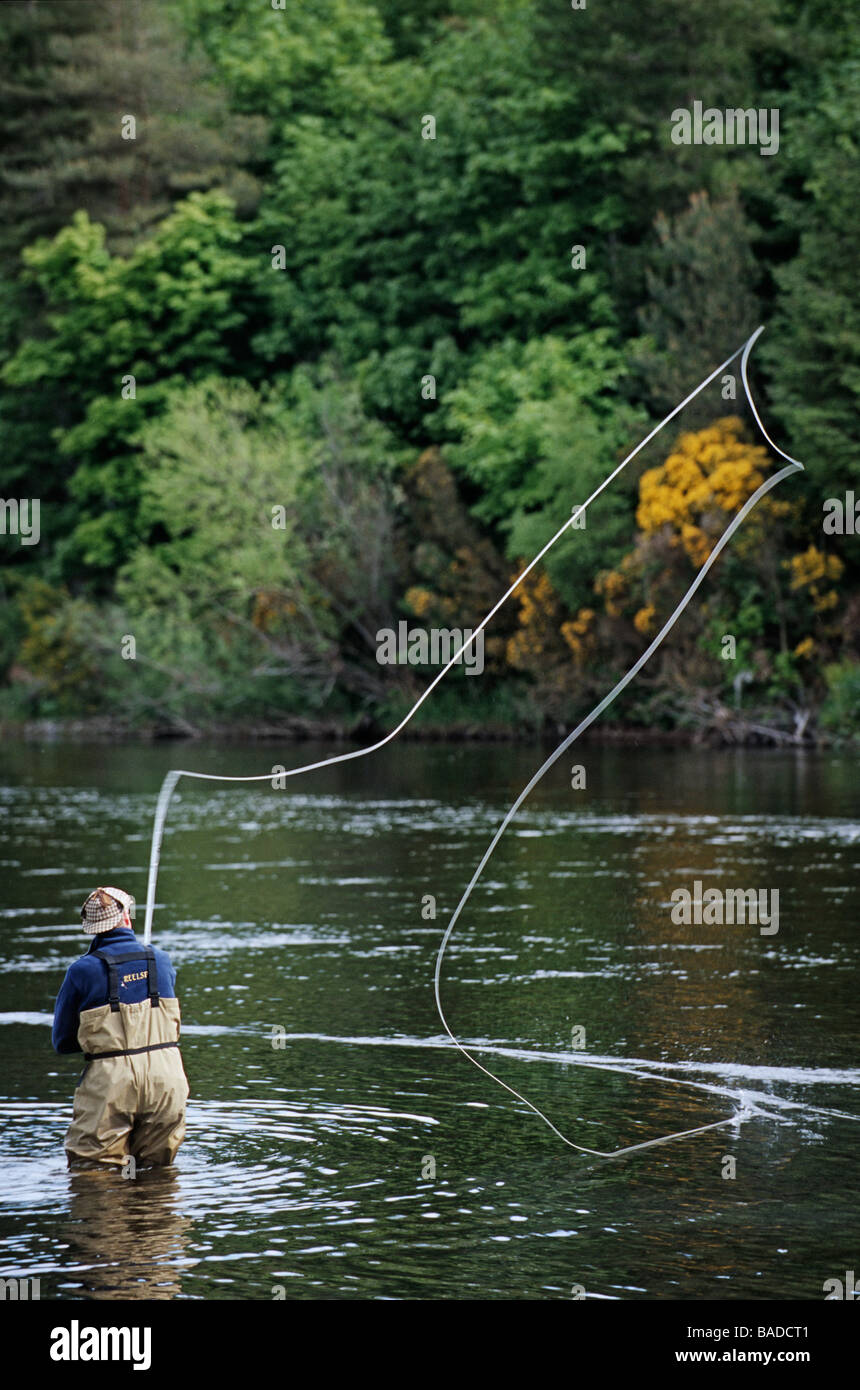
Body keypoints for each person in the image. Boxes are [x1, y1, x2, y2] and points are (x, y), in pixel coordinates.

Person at [53, 886, 189, 1168]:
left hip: (112, 1080)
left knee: (93, 1171)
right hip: (166, 1077)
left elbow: (63, 1042)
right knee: (157, 1170)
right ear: (126, 916)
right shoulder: (161, 961)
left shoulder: (81, 971)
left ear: (92, 929)